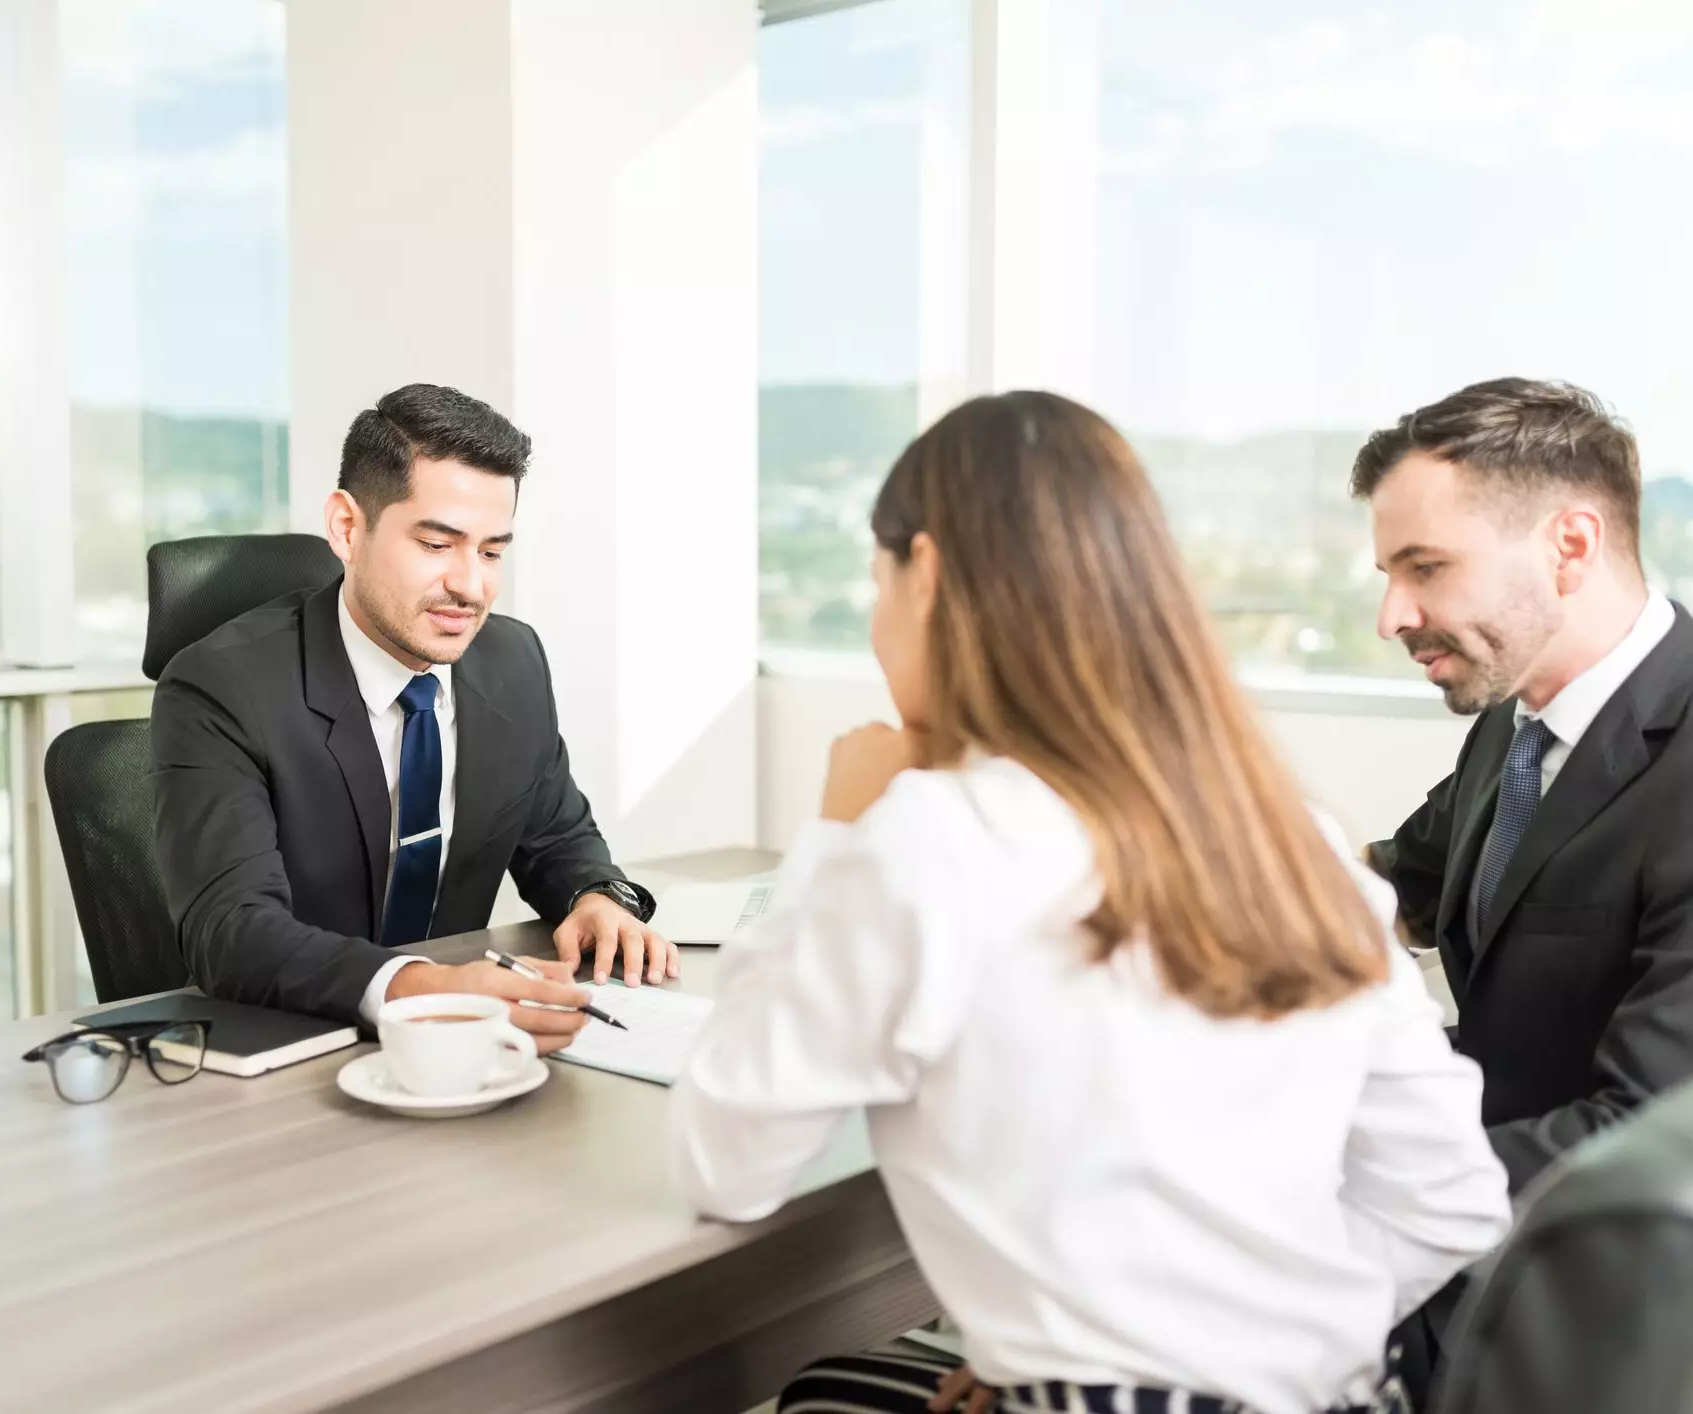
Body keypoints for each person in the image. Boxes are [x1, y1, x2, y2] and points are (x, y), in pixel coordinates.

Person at [667, 391, 1510, 1414]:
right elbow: (1454, 1202)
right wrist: (1205, 1353)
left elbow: (725, 1163)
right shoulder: (1298, 842)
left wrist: (833, 835)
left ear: (925, 573)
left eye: (876, 578)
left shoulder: (928, 839)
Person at [151, 383, 677, 1044]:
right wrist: (427, 989)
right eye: (436, 544)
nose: (471, 586)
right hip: (291, 1049)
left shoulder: (511, 659)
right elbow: (231, 931)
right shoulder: (222, 686)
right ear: (347, 527)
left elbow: (556, 835)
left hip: (467, 1054)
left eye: (491, 552)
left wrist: (597, 897)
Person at [1354, 377, 1693, 1397]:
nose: (1391, 616)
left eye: (1427, 568)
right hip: (1456, 1277)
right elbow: (1389, 879)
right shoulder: (1516, 720)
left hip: (1609, 1334)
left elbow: (1639, 1130)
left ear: (1571, 546)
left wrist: (1332, 1175)